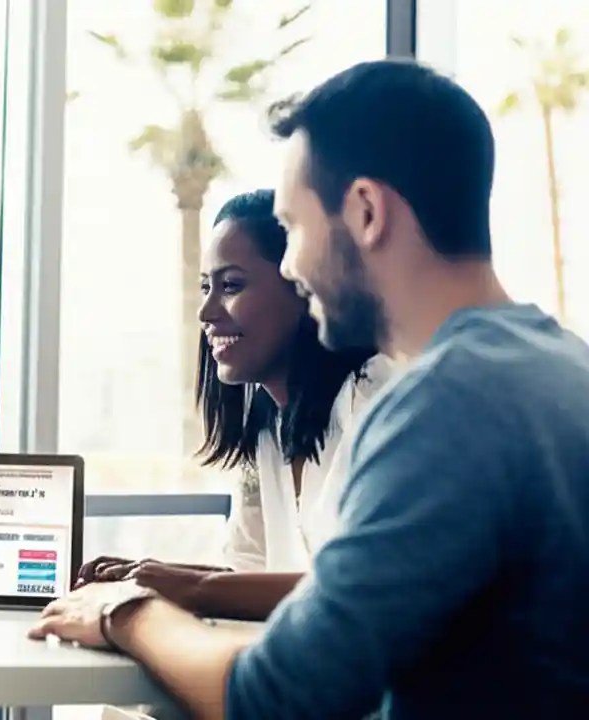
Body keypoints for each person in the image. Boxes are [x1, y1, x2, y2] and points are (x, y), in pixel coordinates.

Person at [29, 58, 589, 719]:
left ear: (366, 211)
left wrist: (127, 609)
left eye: (294, 229)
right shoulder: (560, 367)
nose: (293, 266)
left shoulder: (444, 408)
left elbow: (278, 696)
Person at [79, 189, 393, 623]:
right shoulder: (266, 428)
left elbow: (363, 585)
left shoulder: (376, 396)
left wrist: (189, 586)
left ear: (303, 285)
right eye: (206, 287)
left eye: (231, 286)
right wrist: (144, 577)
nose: (206, 311)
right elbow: (250, 577)